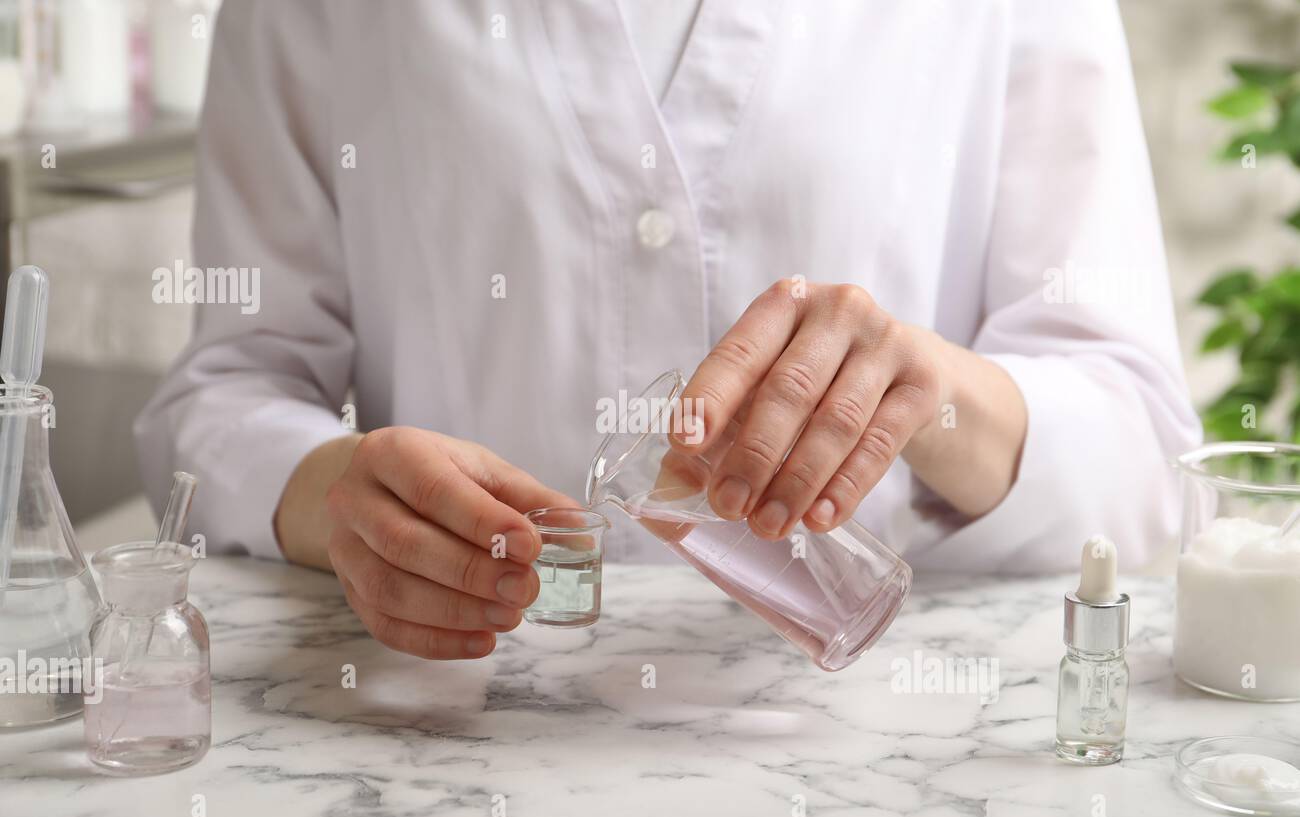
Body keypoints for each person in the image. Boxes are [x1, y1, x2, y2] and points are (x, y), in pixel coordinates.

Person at [136, 0, 1202, 661]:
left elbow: (1141, 454)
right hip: (456, 727)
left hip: (893, 751)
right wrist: (334, 495)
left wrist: (931, 396)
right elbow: (225, 390)